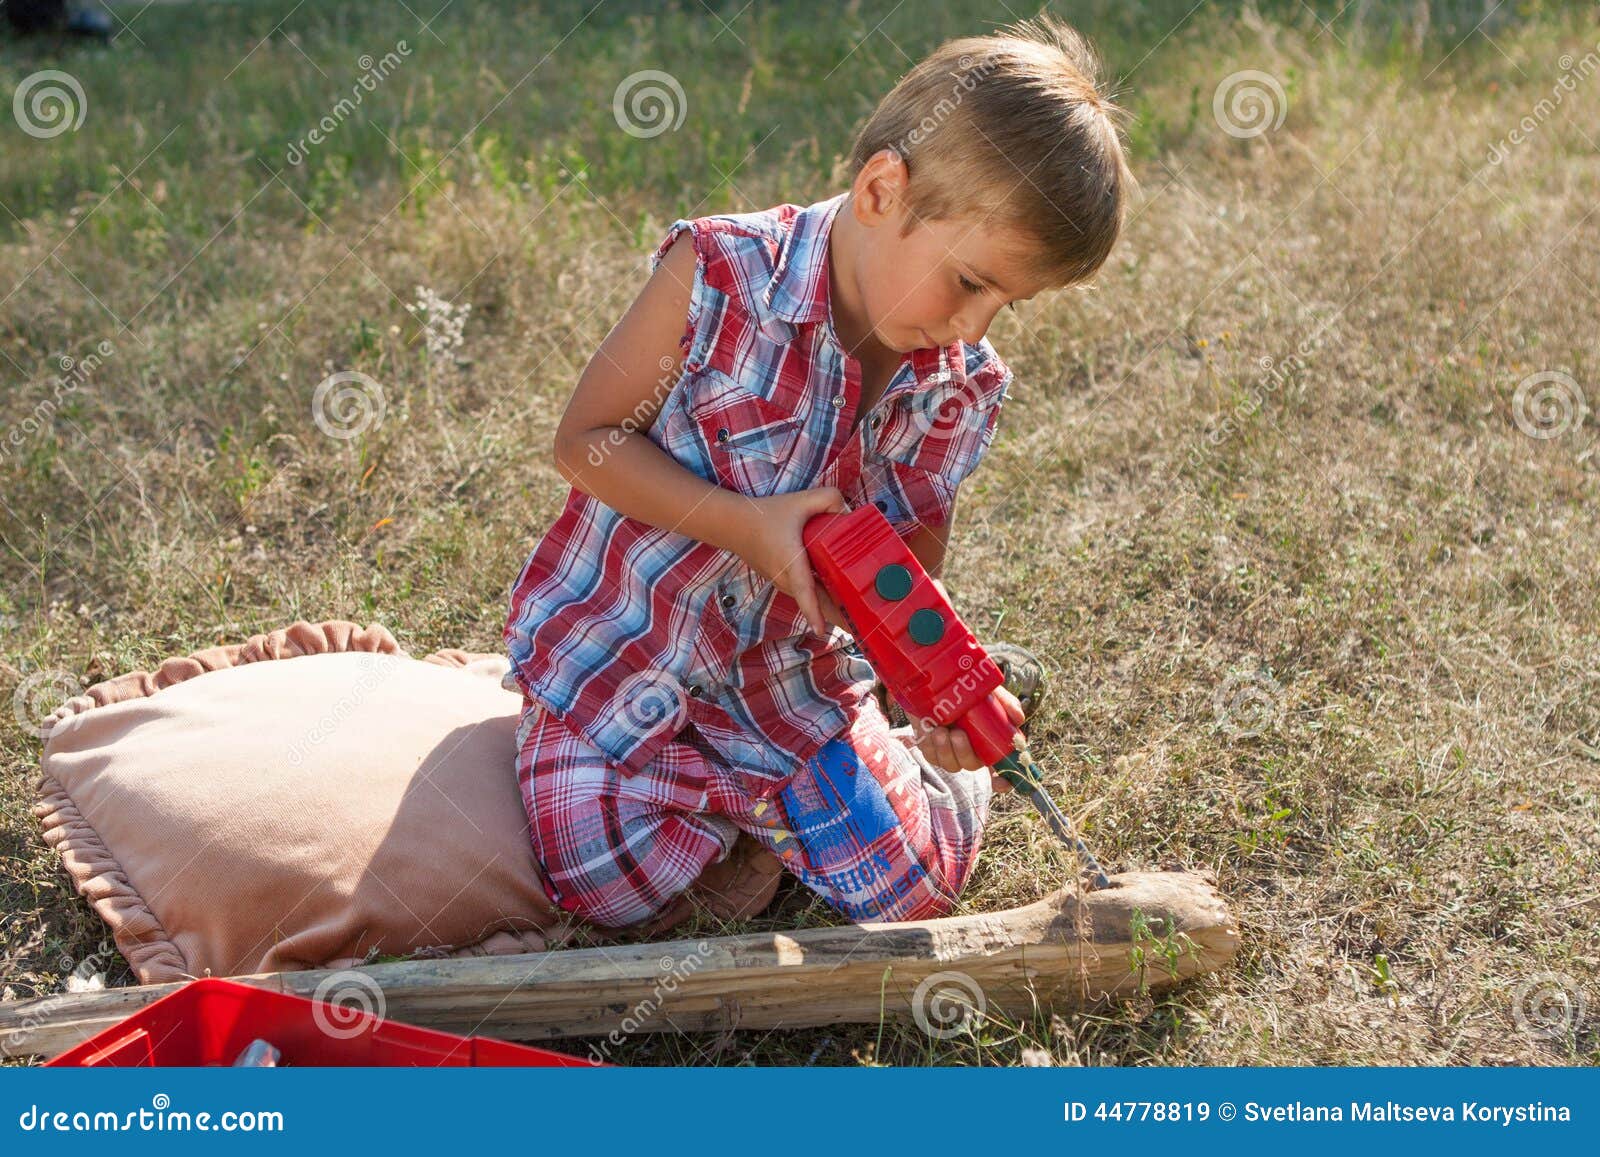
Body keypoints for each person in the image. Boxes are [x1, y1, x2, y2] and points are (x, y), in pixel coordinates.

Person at [502, 14, 1133, 932]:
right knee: (599, 877)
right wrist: (745, 526)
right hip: (625, 657)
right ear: (883, 189)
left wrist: (931, 697)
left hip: (785, 691)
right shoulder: (717, 275)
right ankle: (757, 833)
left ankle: (862, 790)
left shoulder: (954, 386)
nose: (974, 329)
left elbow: (911, 570)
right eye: (968, 283)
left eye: (1008, 304)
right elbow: (587, 440)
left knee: (911, 889)